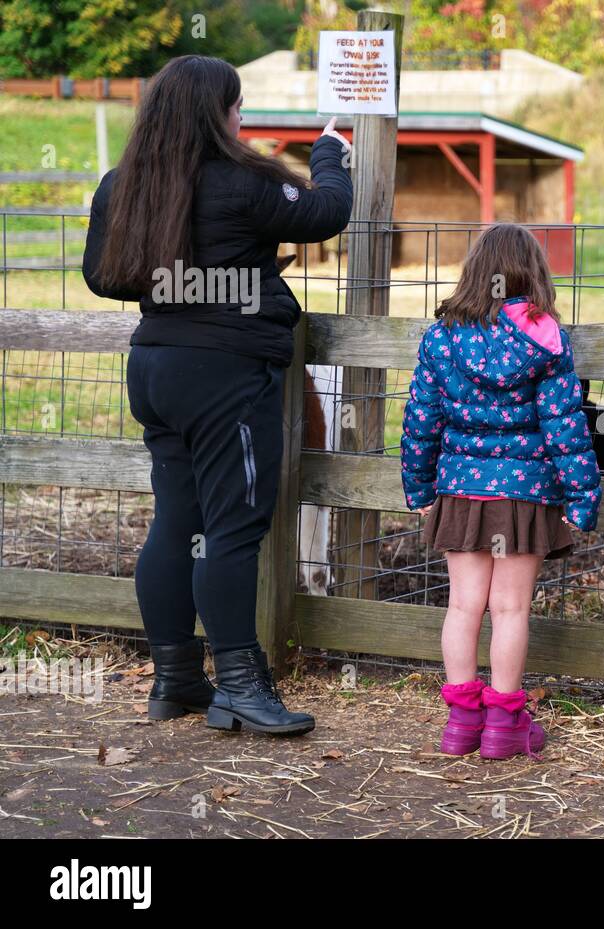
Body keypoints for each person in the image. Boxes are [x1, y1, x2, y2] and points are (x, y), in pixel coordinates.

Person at [82, 55, 353, 736]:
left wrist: (176, 286)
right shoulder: (241, 181)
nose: (240, 117)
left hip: (156, 368)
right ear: (215, 113)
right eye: (235, 106)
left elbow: (102, 277)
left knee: (178, 522)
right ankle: (241, 686)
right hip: (224, 378)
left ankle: (175, 679)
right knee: (233, 527)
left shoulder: (124, 185)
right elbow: (325, 213)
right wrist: (332, 151)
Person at [401, 223, 602, 759]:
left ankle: (461, 723)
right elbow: (566, 427)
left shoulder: (442, 337)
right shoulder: (546, 338)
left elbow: (422, 420)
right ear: (532, 273)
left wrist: (418, 487)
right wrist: (582, 499)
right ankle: (503, 726)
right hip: (523, 496)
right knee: (510, 608)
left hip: (462, 493)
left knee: (464, 605)